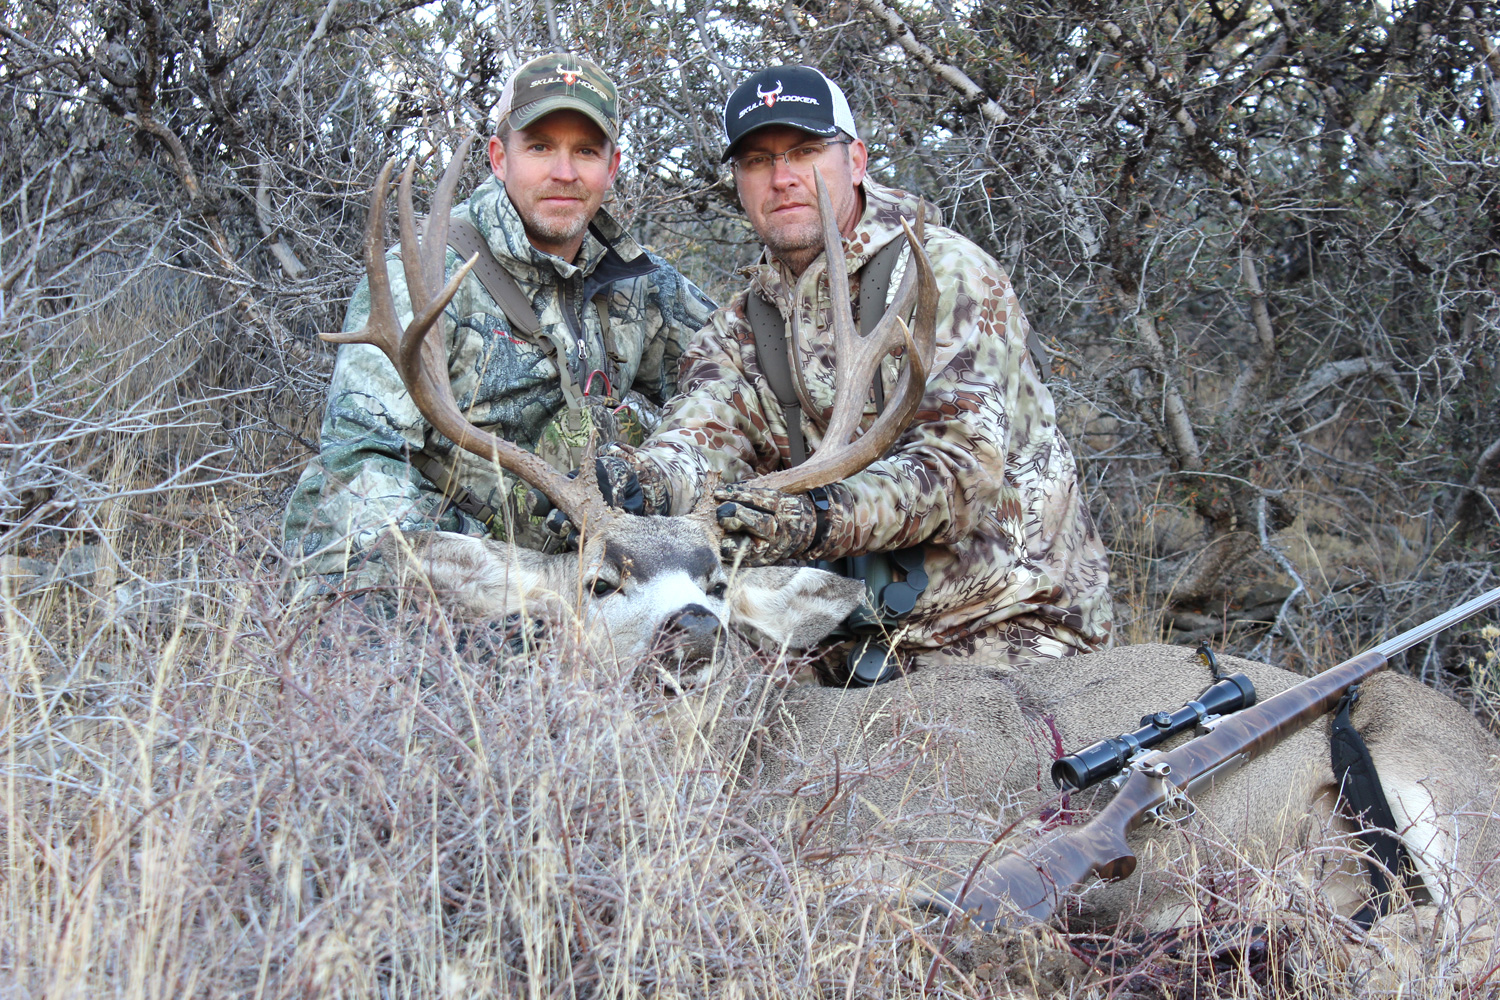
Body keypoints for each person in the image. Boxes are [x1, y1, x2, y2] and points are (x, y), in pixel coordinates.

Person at [605, 65, 1112, 678]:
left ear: (857, 160)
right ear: (739, 183)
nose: (784, 178)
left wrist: (817, 516)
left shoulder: (944, 275)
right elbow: (699, 439)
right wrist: (643, 481)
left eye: (806, 151)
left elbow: (958, 478)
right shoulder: (743, 325)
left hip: (1003, 627)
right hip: (839, 635)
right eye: (759, 161)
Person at [282, 52, 716, 585]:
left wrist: (659, 471)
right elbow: (355, 465)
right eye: (539, 147)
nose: (564, 173)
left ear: (612, 167)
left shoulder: (641, 282)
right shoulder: (425, 274)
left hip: (601, 576)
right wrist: (493, 577)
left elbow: (732, 392)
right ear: (498, 157)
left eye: (585, 151)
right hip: (454, 578)